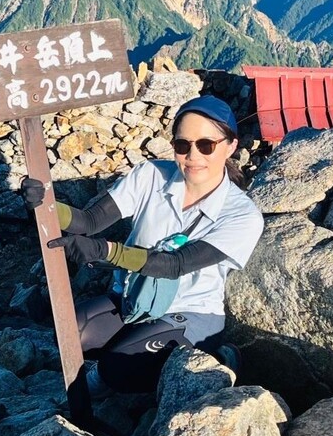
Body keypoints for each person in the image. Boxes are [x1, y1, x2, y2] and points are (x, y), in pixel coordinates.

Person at [22, 95, 264, 393]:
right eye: (182, 145)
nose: (192, 155)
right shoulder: (151, 175)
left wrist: (104, 251)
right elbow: (89, 221)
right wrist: (45, 204)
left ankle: (216, 360)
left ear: (230, 146)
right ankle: (129, 355)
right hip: (133, 300)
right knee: (66, 337)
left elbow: (175, 265)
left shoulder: (242, 215)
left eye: (206, 145)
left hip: (191, 311)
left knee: (116, 367)